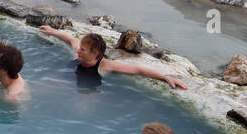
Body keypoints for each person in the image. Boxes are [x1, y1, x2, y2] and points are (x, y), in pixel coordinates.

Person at [38, 26, 187, 89]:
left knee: (81, 108)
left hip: (87, 90)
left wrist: (165, 77)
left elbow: (138, 70)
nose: (78, 51)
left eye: (83, 50)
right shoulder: (80, 53)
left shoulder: (105, 65)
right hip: (66, 81)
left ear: (94, 54)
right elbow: (71, 39)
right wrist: (52, 31)